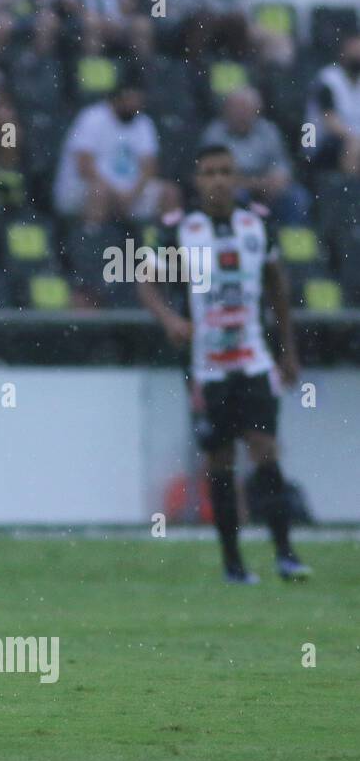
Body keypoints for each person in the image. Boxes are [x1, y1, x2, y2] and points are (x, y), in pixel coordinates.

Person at [136, 145, 310, 584]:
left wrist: (287, 351)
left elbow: (277, 289)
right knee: (221, 459)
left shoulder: (257, 224)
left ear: (236, 178)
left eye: (226, 172)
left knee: (266, 450)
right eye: (209, 172)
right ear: (197, 180)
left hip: (252, 358)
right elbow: (144, 277)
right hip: (206, 365)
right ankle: (234, 563)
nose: (217, 180)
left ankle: (285, 554)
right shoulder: (180, 229)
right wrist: (171, 319)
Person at [53, 75, 179, 227]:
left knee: (170, 193)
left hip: (130, 192)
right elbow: (84, 167)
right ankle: (92, 242)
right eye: (130, 100)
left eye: (138, 101)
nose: (134, 105)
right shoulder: (92, 117)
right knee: (100, 193)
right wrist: (116, 194)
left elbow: (149, 167)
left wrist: (132, 194)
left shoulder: (143, 122)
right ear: (116, 99)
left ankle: (170, 239)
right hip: (85, 189)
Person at [200, 88, 309, 223]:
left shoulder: (269, 131)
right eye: (237, 109)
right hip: (235, 190)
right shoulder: (214, 134)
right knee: (237, 196)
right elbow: (218, 175)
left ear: (257, 111)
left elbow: (282, 165)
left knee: (297, 197)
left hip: (268, 189)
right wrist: (257, 184)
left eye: (247, 109)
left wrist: (278, 179)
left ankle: (290, 241)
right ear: (226, 110)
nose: (241, 114)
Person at [306, 34, 360, 178]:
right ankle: (350, 193)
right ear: (343, 53)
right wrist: (354, 137)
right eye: (354, 51)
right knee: (352, 144)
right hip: (321, 142)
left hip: (352, 139)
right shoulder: (328, 79)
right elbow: (331, 123)